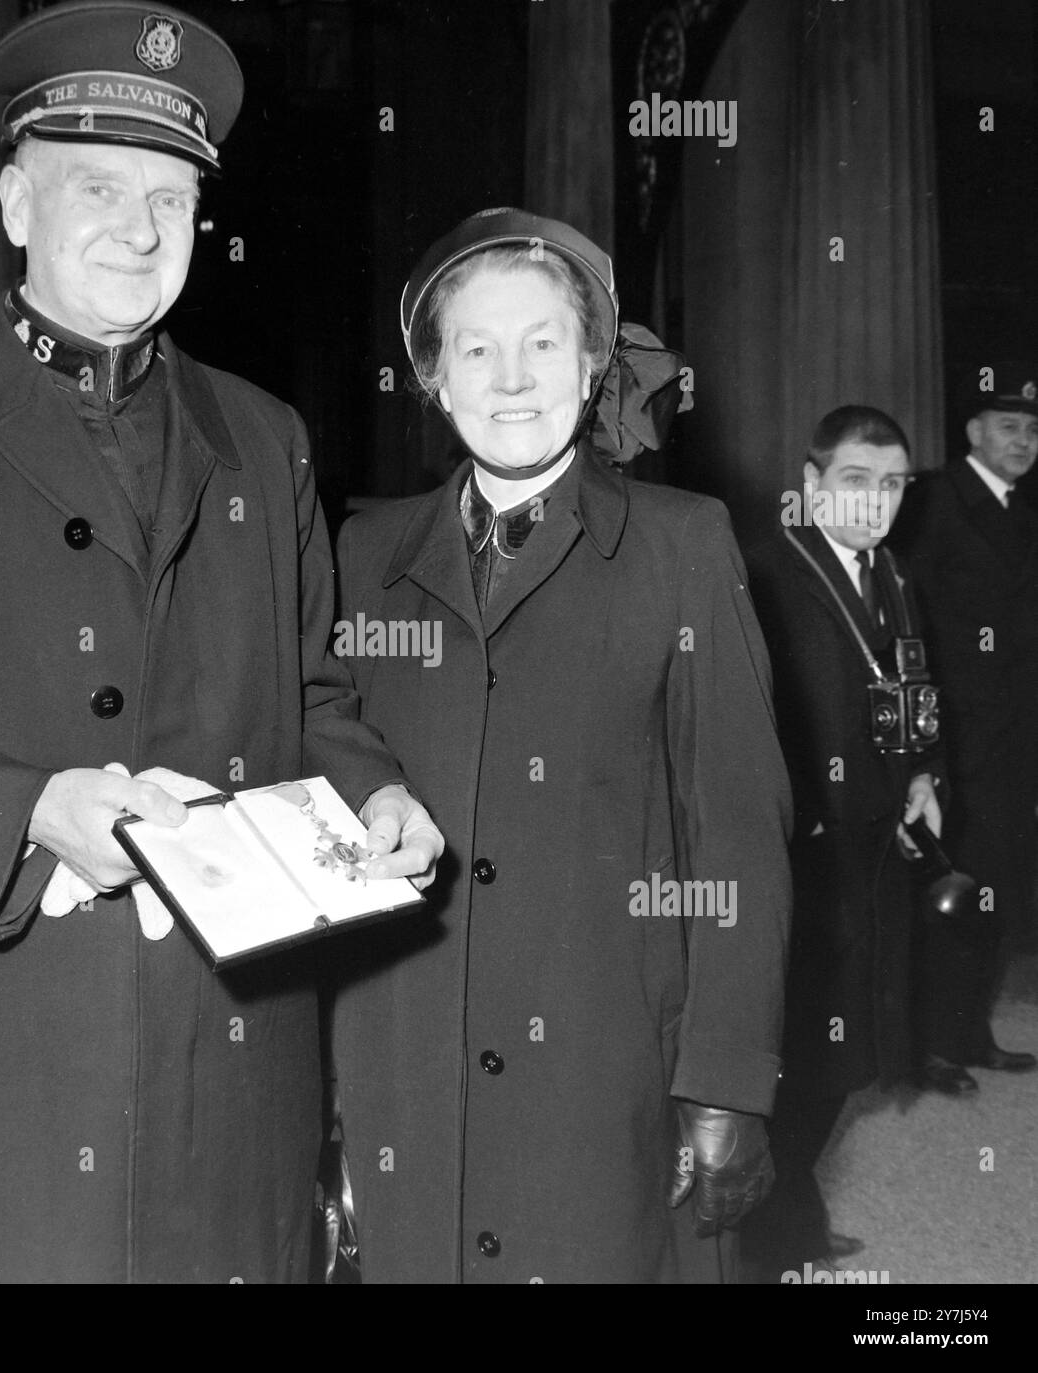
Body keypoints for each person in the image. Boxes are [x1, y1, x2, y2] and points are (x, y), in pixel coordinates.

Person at [0, 1, 440, 1284]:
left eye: (169, 197)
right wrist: (22, 812)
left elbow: (314, 690)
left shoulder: (265, 433)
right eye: (96, 188)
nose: (138, 227)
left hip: (228, 1043)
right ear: (13, 205)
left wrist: (376, 791)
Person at [327, 208, 792, 1283]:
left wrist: (725, 1078)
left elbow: (737, 823)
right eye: (475, 348)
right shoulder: (360, 551)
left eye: (543, 342)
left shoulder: (683, 542)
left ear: (591, 368)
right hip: (408, 1049)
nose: (511, 376)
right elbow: (325, 751)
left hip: (605, 1049)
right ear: (434, 379)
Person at [740, 406, 943, 1276]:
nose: (877, 501)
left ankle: (791, 1209)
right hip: (808, 847)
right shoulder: (768, 573)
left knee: (853, 1039)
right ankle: (768, 1233)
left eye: (893, 484)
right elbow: (748, 714)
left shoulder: (889, 570)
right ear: (814, 484)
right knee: (808, 1055)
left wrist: (924, 775)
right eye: (857, 481)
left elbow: (911, 686)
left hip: (875, 836)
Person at [889, 367, 1038, 1090]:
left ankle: (970, 1030)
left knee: (996, 889)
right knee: (946, 888)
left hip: (1014, 737)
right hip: (951, 736)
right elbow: (903, 613)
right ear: (975, 431)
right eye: (1008, 425)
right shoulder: (933, 500)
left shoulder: (1025, 507)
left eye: (1034, 429)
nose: (1024, 440)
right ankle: (927, 1045)